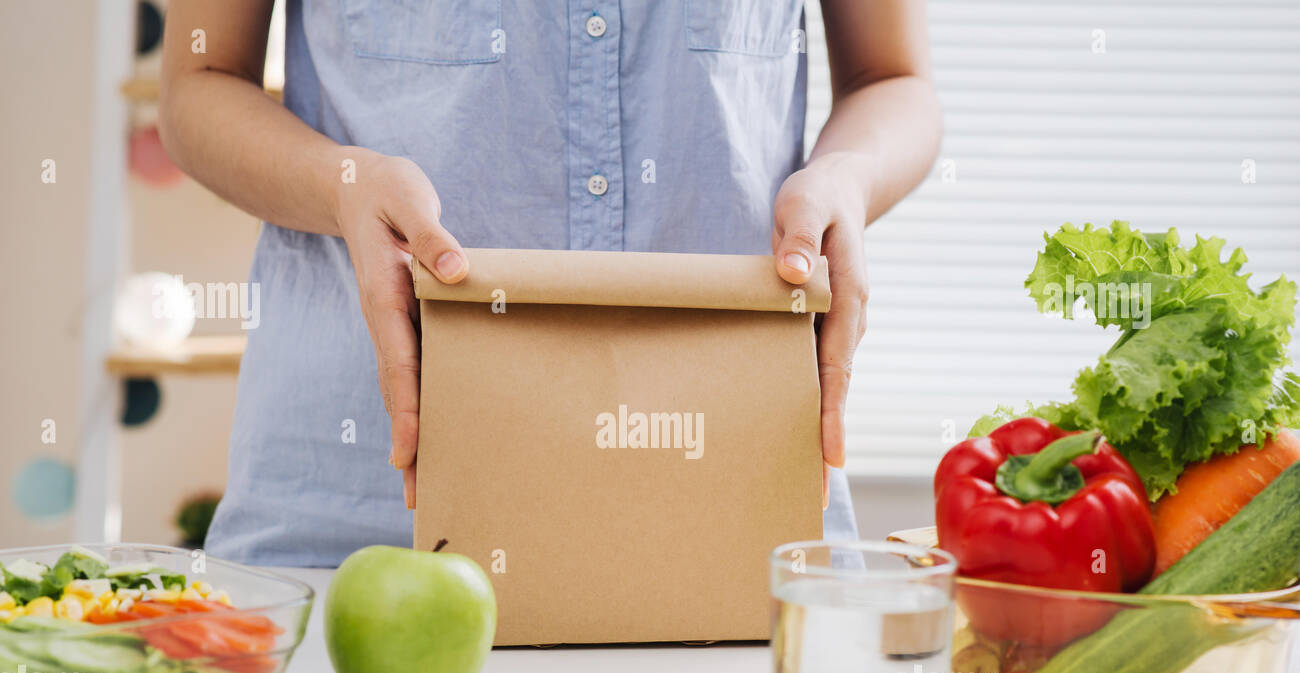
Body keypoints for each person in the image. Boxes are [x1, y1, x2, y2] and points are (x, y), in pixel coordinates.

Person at [160, 1, 940, 565]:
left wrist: (849, 176)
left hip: (734, 508)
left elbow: (892, 78)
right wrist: (343, 182)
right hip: (352, 518)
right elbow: (197, 82)